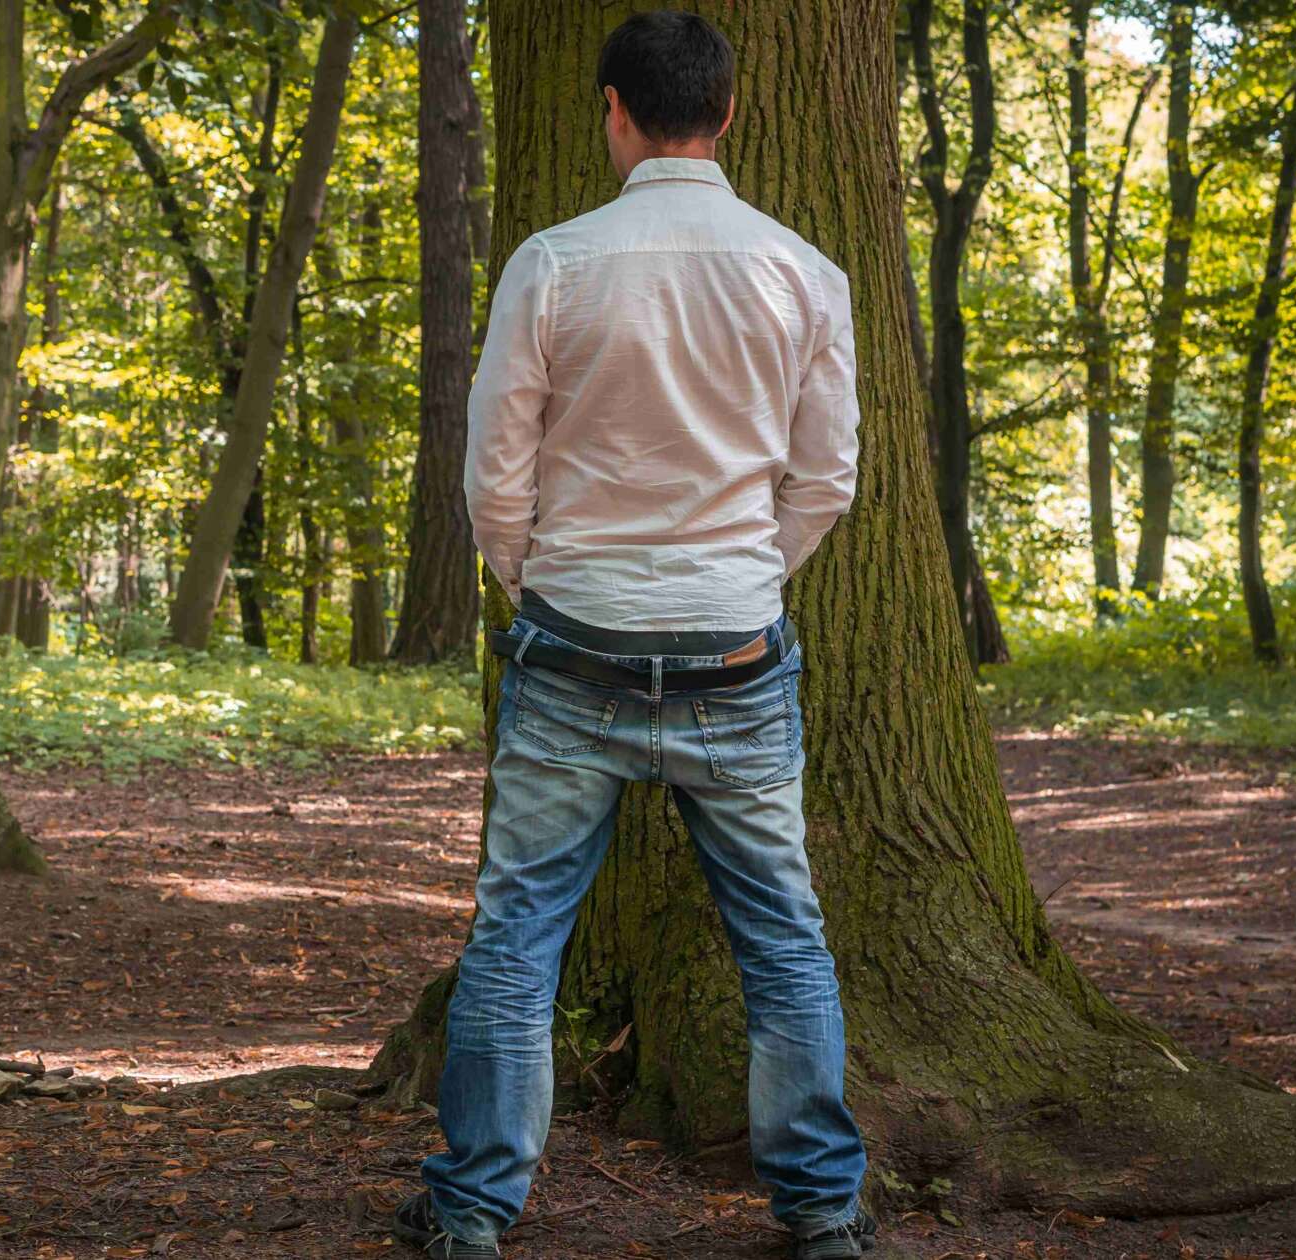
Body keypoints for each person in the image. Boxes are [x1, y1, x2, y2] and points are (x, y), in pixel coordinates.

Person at [390, 10, 878, 1260]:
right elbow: (824, 482)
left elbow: (492, 475)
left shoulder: (552, 263)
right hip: (735, 649)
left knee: (515, 941)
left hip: (571, 643)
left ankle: (471, 1214)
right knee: (780, 936)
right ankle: (822, 1214)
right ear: (728, 111)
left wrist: (539, 585)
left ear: (610, 108)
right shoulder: (801, 272)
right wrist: (739, 584)